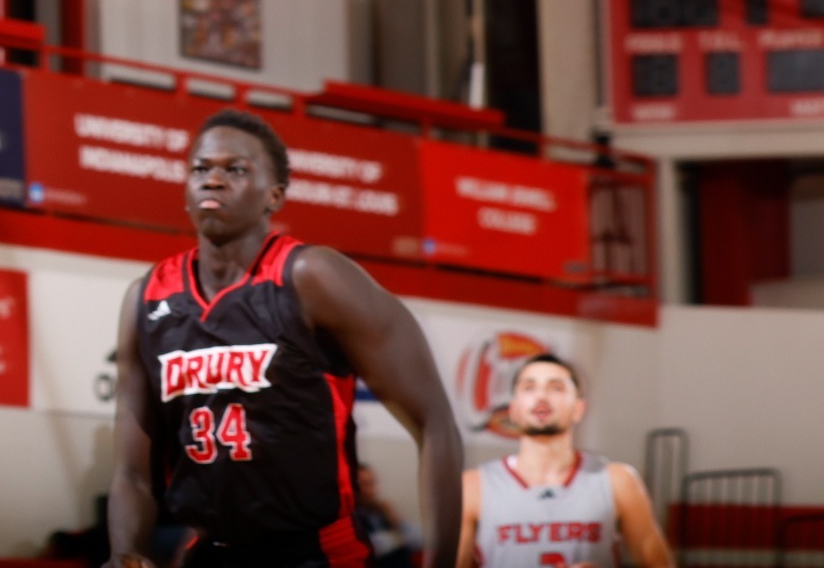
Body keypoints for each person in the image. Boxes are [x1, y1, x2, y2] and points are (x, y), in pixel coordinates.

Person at [107, 110, 463, 568]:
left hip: (314, 552)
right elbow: (133, 472)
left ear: (274, 195)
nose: (212, 180)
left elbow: (434, 421)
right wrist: (125, 550)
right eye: (201, 169)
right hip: (210, 551)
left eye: (234, 169)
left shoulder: (315, 277)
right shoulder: (147, 298)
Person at [460, 354, 672, 568]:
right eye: (529, 387)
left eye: (556, 388)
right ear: (513, 410)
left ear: (579, 409)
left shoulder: (618, 480)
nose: (541, 396)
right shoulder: (473, 486)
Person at [353, 466, 417, 568]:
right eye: (363, 484)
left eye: (372, 483)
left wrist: (394, 519)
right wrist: (399, 537)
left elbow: (415, 537)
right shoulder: (353, 516)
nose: (369, 490)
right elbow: (375, 546)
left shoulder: (381, 509)